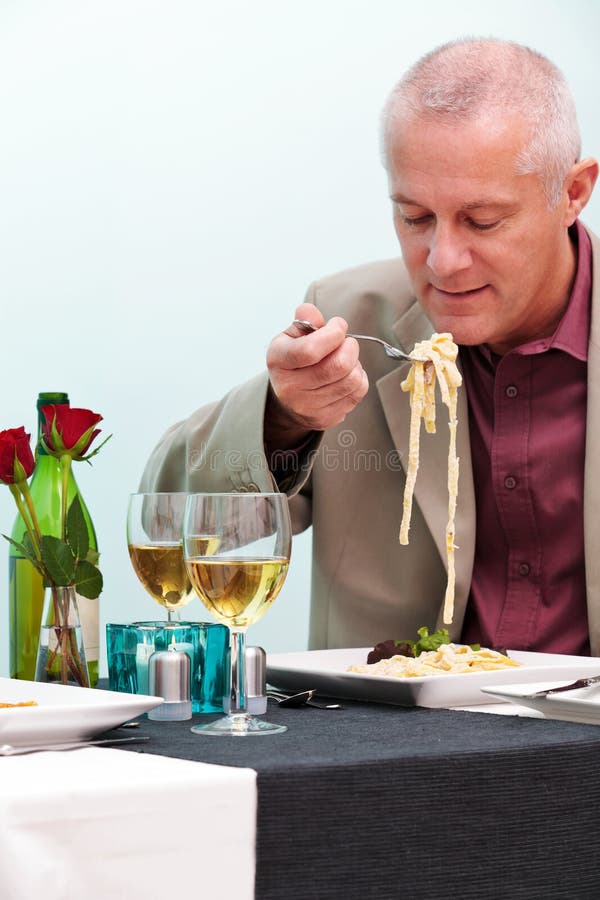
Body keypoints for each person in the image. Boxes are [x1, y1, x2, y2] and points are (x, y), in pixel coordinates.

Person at [140, 37, 600, 655]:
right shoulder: (351, 320)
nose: (443, 260)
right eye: (414, 217)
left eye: (483, 221)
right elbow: (166, 520)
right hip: (386, 743)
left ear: (572, 193)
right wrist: (283, 415)